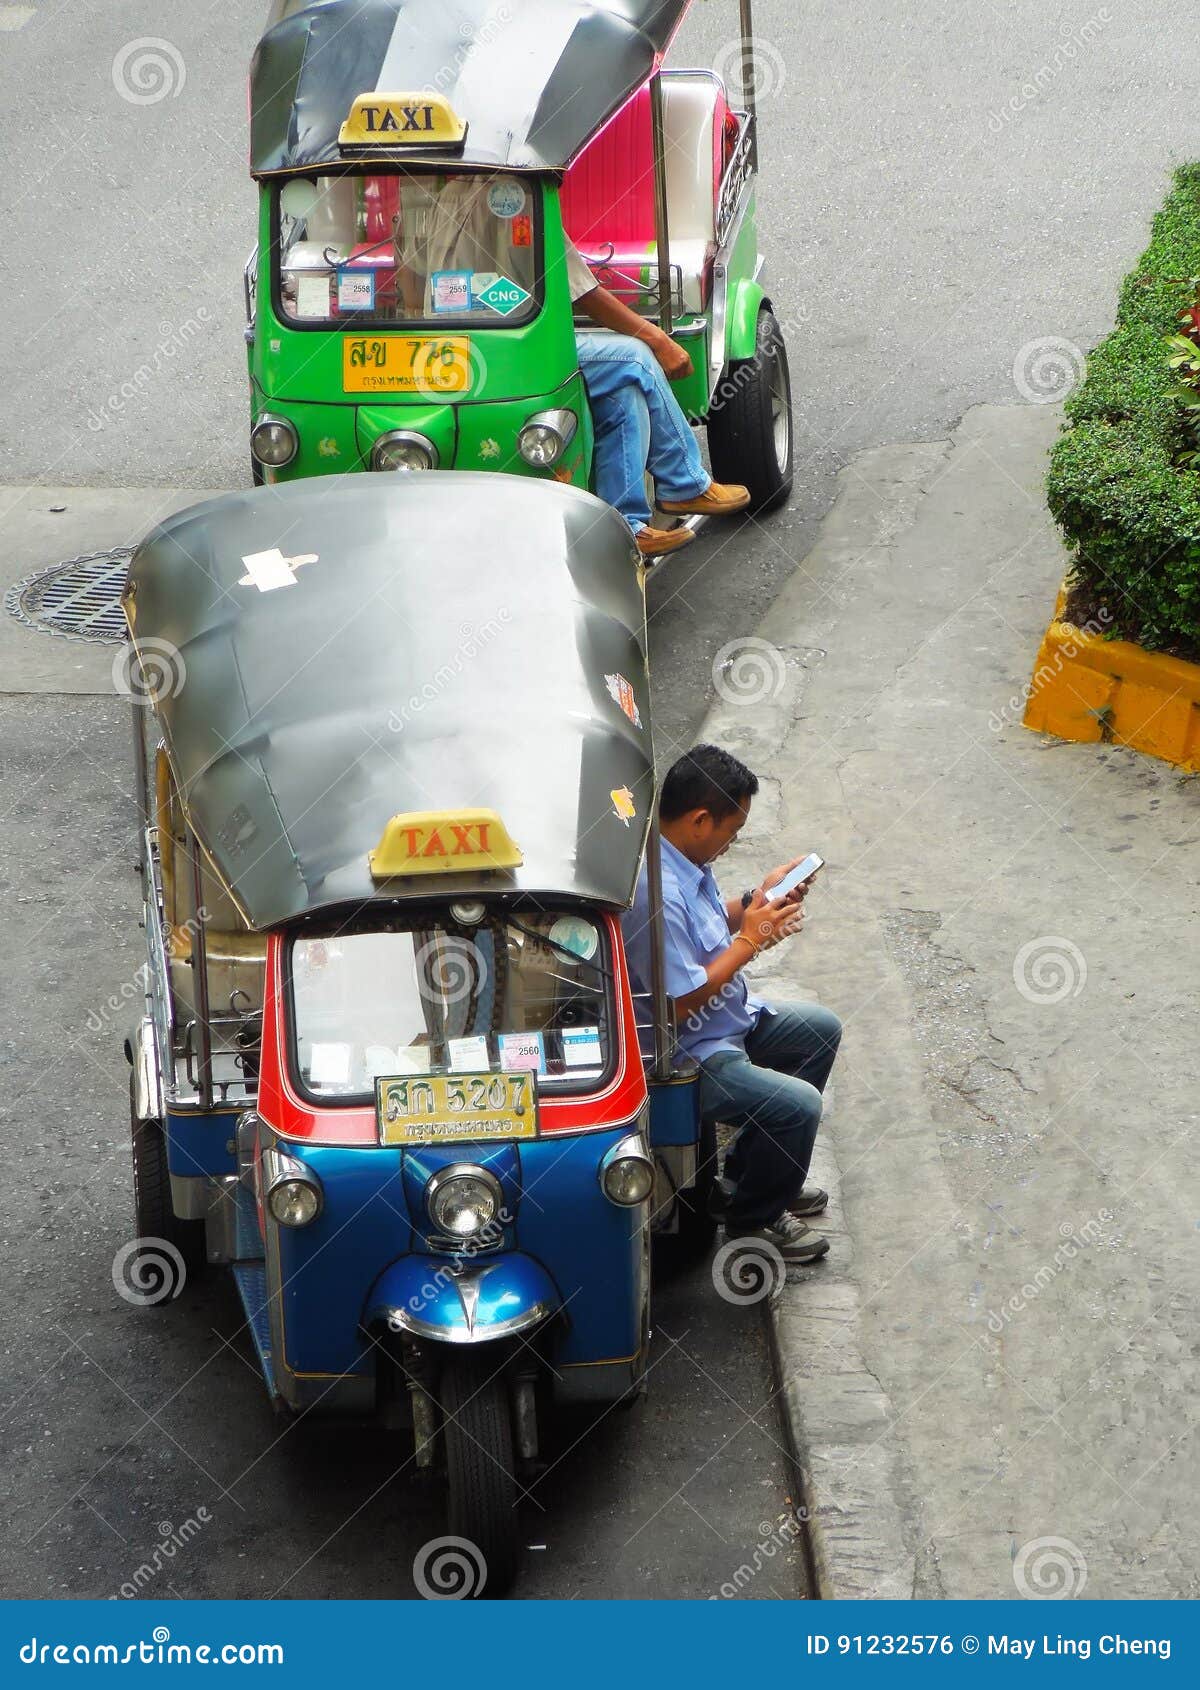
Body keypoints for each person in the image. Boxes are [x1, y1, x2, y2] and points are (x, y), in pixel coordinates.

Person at [623, 745, 842, 1265]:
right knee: (799, 1106)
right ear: (701, 819)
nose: (732, 841)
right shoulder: (656, 892)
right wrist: (751, 943)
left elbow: (709, 930)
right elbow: (679, 1003)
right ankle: (753, 1220)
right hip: (690, 1054)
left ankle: (750, 1180)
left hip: (729, 1022)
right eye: (732, 830)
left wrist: (757, 901)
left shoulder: (686, 864)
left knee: (820, 1031)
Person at [564, 238, 750, 557]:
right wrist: (658, 339)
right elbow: (583, 293)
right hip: (511, 343)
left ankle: (626, 527)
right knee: (635, 358)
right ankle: (685, 483)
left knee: (624, 390)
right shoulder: (520, 197)